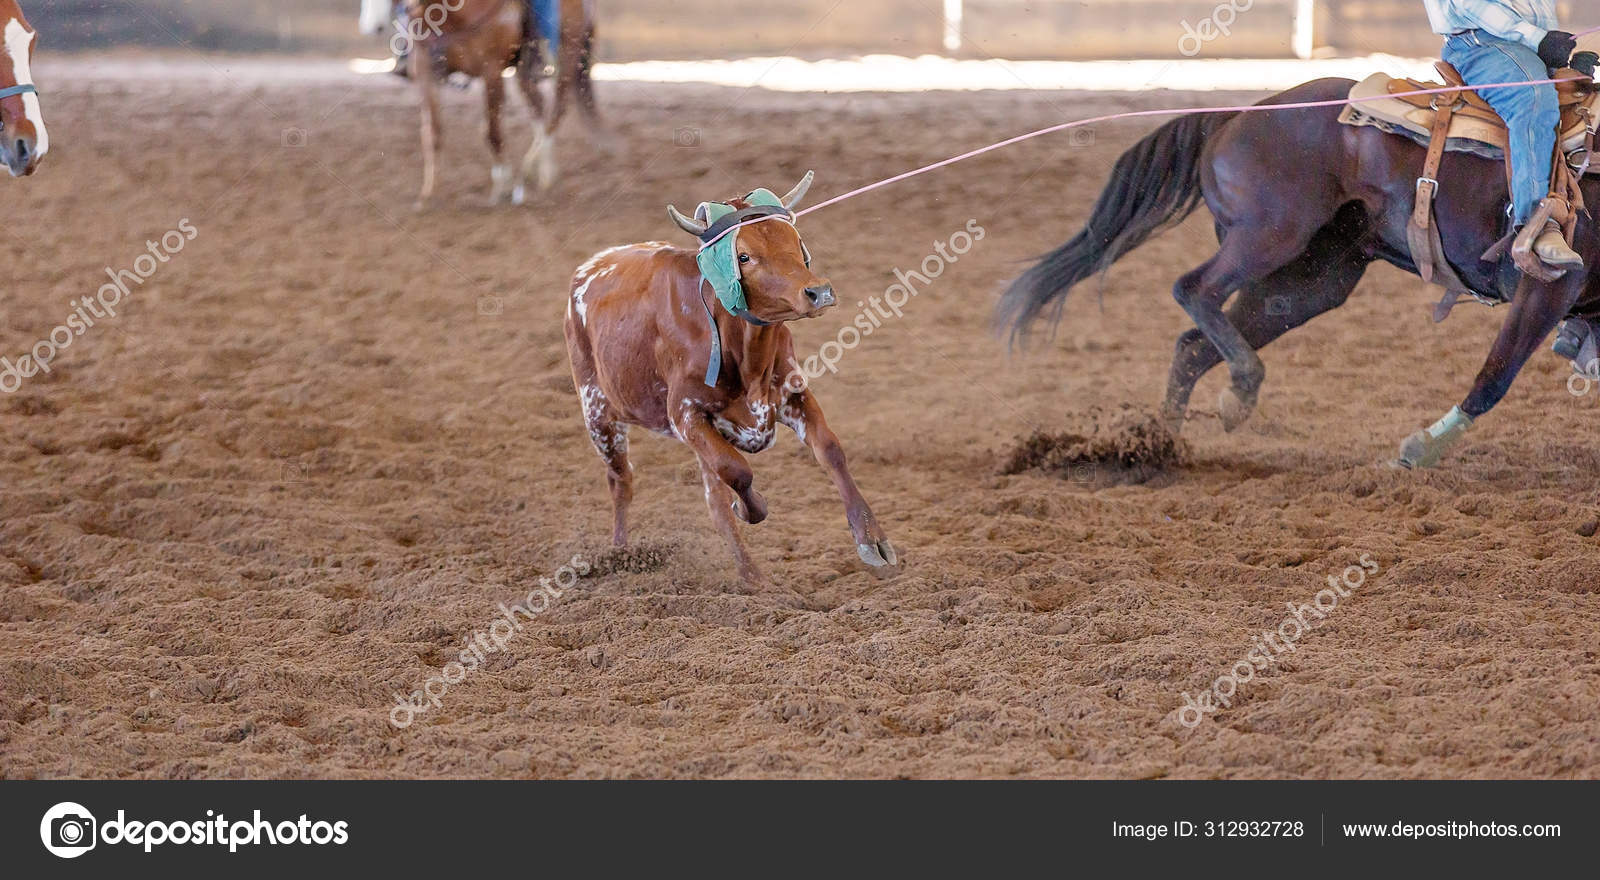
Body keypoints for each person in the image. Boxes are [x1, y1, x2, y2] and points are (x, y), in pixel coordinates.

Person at [1424, 0, 1581, 272]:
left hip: (1528, 43)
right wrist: (1537, 37)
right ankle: (1536, 223)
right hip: (1479, 42)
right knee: (1532, 97)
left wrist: (1546, 41)